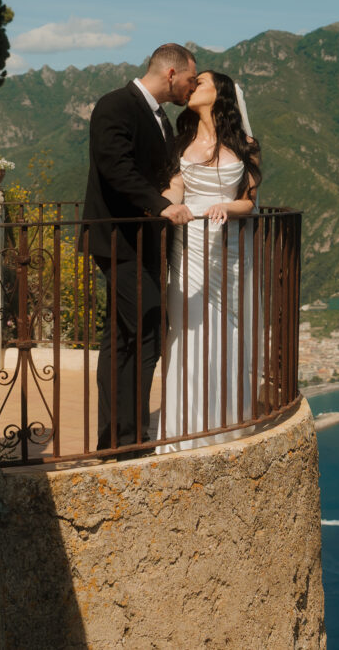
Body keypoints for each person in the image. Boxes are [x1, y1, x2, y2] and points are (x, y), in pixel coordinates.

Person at [82, 43, 196, 450]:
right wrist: (162, 206)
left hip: (144, 239)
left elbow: (157, 169)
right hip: (118, 239)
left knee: (125, 334)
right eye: (189, 79)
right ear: (171, 74)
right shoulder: (116, 105)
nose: (192, 86)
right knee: (145, 331)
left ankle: (119, 438)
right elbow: (115, 168)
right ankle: (127, 438)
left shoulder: (160, 118)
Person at [158, 70, 261, 450]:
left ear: (220, 94)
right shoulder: (180, 140)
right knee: (185, 329)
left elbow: (249, 201)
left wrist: (227, 206)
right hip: (188, 245)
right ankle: (184, 427)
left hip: (227, 247)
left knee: (225, 329)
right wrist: (168, 206)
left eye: (200, 82)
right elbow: (174, 188)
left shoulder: (247, 145)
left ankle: (226, 420)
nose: (192, 87)